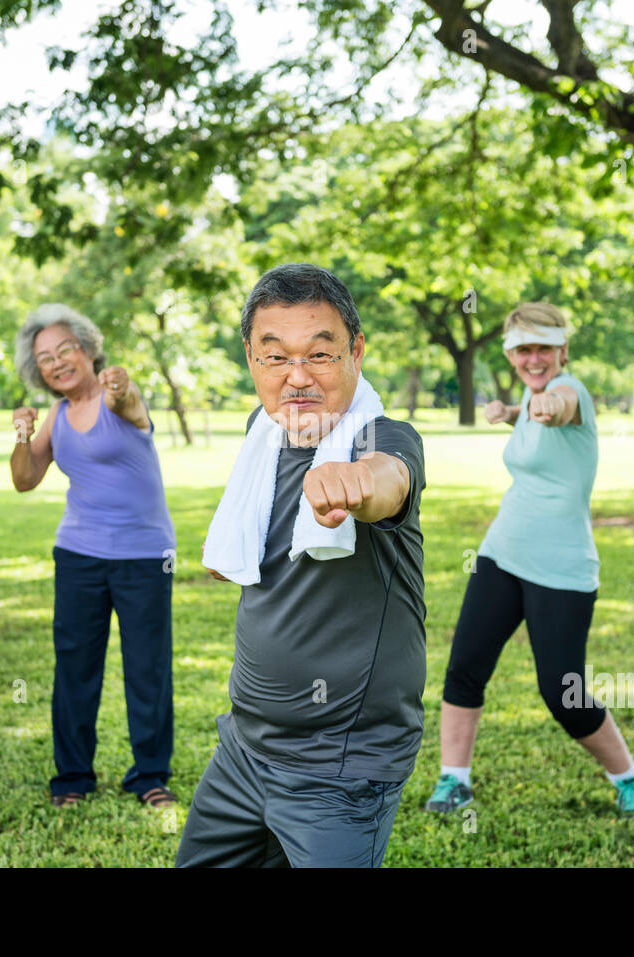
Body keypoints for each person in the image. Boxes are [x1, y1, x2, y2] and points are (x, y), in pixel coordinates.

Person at [176, 263, 427, 867]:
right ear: (250, 359)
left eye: (319, 354)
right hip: (244, 746)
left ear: (355, 352)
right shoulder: (260, 435)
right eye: (274, 357)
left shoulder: (382, 438)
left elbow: (389, 482)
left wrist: (356, 482)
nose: (297, 378)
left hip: (340, 764)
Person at [425, 302, 634, 820]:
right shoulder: (530, 399)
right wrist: (510, 413)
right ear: (510, 355)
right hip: (502, 552)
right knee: (464, 668)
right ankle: (453, 779)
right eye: (523, 349)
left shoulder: (570, 394)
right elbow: (532, 417)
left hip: (563, 566)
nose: (534, 359)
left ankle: (629, 778)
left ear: (561, 351)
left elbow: (560, 407)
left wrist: (546, 407)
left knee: (563, 693)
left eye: (543, 349)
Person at [10, 304, 178, 809]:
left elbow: (130, 403)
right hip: (78, 553)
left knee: (147, 666)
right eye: (45, 358)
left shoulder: (116, 398)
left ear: (86, 349)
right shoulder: (57, 416)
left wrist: (123, 387)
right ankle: (73, 777)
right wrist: (21, 435)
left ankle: (149, 774)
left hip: (145, 554)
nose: (57, 362)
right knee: (75, 667)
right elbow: (24, 479)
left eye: (66, 349)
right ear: (36, 370)